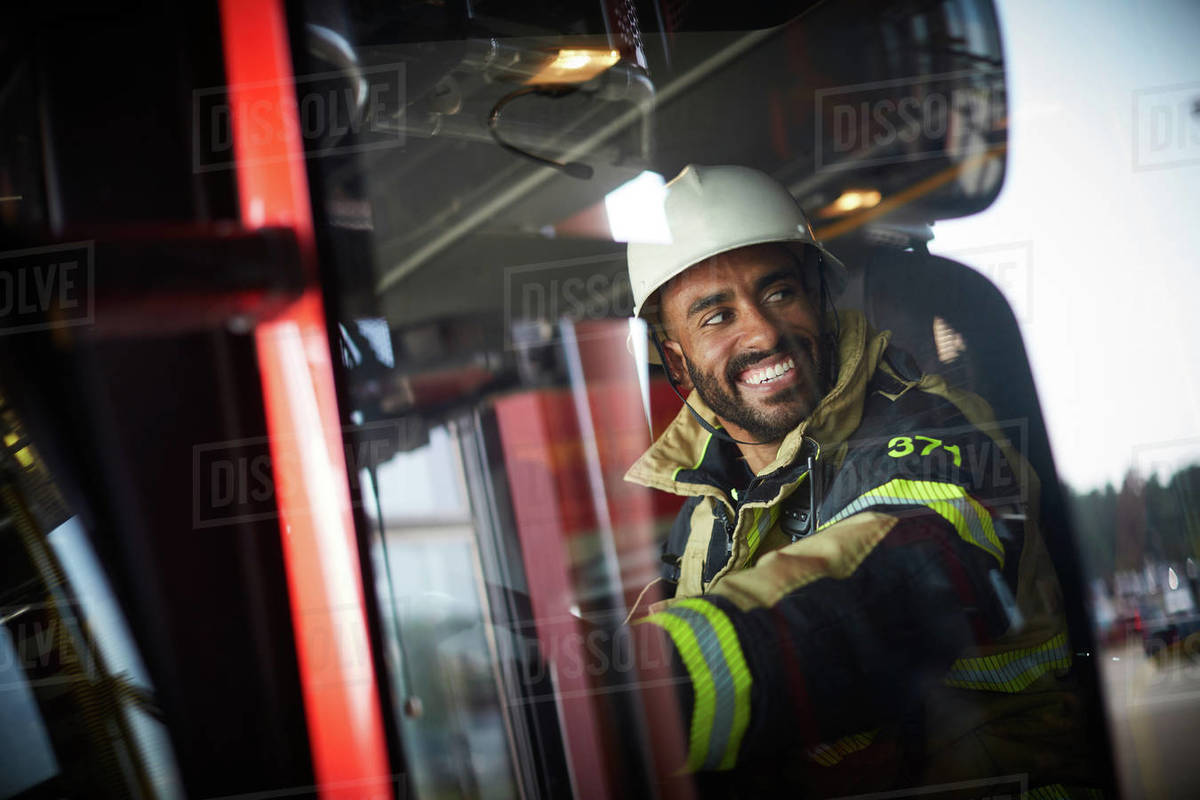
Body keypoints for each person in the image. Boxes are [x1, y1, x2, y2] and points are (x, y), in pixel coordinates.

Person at [621, 165, 1099, 797]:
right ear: (676, 358)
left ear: (818, 299)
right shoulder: (705, 514)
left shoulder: (936, 431)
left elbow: (900, 583)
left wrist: (654, 695)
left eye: (779, 292)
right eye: (716, 316)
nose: (763, 332)